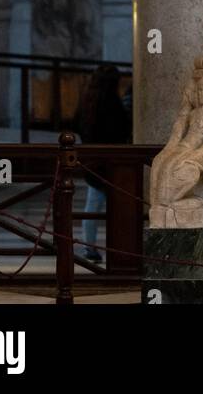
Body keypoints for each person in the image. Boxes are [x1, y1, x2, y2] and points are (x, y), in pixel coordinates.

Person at [77, 64, 130, 261]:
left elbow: (76, 124)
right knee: (118, 207)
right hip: (112, 162)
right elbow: (121, 130)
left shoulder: (86, 100)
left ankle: (89, 246)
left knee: (93, 206)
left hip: (91, 159)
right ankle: (122, 249)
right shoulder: (112, 103)